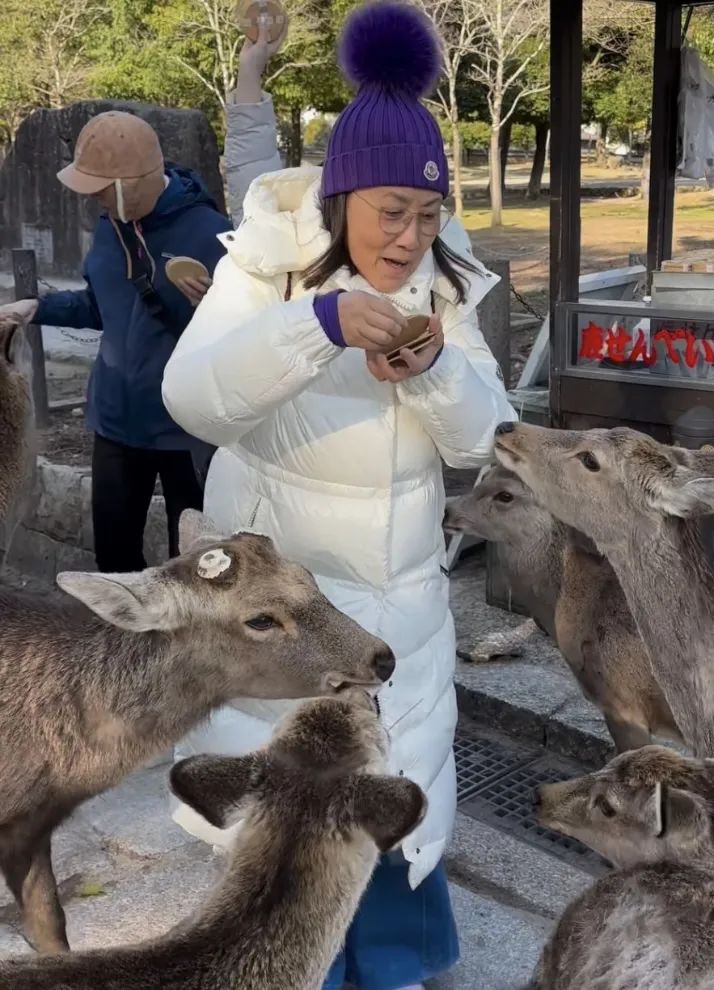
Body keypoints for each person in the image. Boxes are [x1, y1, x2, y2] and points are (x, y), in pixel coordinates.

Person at [161, 3, 517, 989]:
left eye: (428, 213)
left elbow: (485, 438)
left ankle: (394, 971)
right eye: (390, 211)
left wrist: (438, 368)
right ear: (341, 198)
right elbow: (191, 400)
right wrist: (318, 324)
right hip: (284, 625)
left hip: (398, 614)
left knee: (393, 813)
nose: (409, 237)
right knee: (283, 837)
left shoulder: (444, 289)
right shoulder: (268, 269)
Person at [0, 111, 232, 572]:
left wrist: (213, 306)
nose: (94, 201)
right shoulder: (110, 226)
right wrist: (36, 308)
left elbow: (243, 333)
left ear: (132, 183)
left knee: (192, 569)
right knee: (113, 561)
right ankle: (117, 646)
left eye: (101, 189)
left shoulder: (211, 234)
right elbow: (101, 305)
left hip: (185, 429)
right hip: (115, 422)